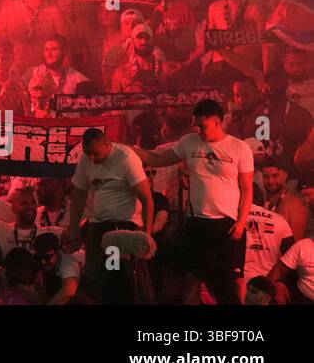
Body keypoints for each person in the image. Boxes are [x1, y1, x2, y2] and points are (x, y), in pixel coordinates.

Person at [134, 98, 254, 304]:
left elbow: (247, 189)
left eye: (203, 125)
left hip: (227, 224)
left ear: (218, 122)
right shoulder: (190, 142)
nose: (198, 129)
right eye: (196, 125)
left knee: (229, 282)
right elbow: (158, 158)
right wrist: (129, 150)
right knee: (192, 278)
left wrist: (241, 223)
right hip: (198, 222)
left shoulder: (239, 148)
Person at [64, 127, 155, 304]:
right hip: (97, 226)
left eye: (95, 154)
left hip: (121, 229)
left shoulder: (126, 158)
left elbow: (147, 199)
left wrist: (147, 234)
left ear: (107, 144)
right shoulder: (86, 158)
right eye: (88, 153)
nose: (92, 158)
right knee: (94, 277)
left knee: (116, 276)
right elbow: (79, 193)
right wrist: (73, 227)